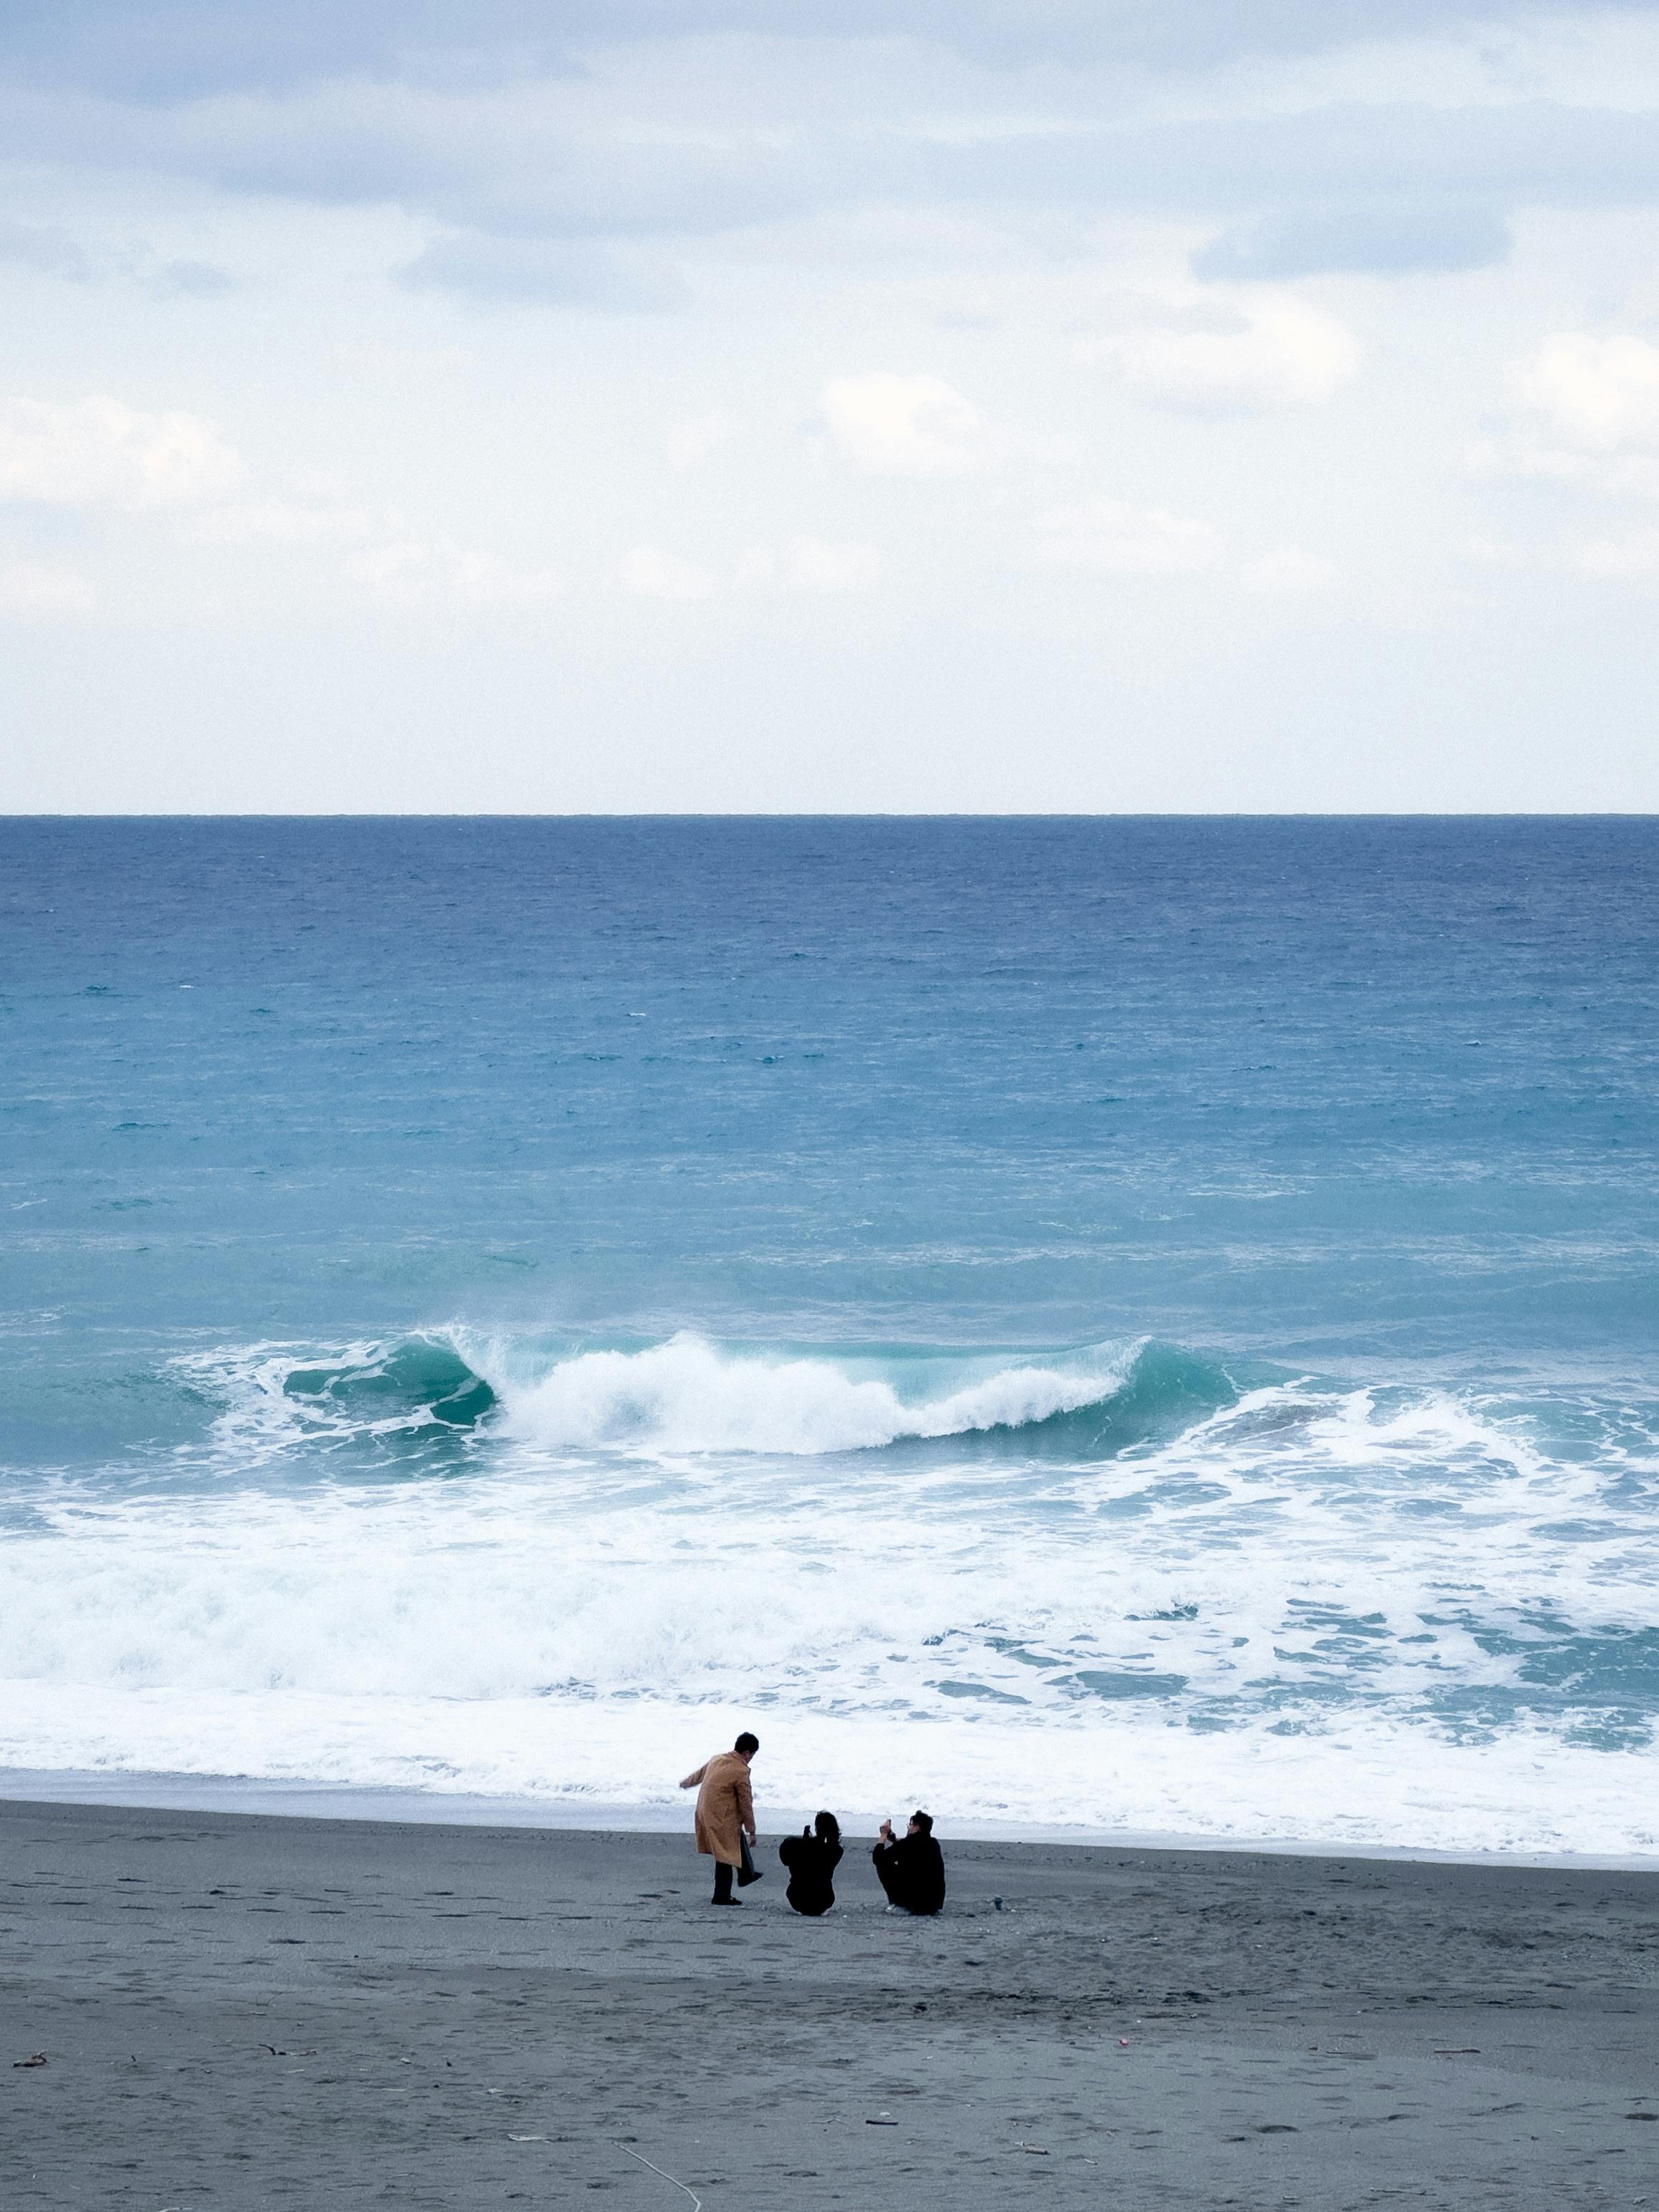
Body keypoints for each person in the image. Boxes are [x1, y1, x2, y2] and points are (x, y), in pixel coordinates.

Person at [679, 1731, 762, 1906]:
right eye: (752, 1755)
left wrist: (686, 1783)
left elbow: (699, 1775)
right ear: (747, 1752)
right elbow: (746, 1803)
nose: (751, 1759)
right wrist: (752, 1831)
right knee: (724, 1853)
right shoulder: (741, 1771)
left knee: (733, 1839)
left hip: (704, 1811)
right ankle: (721, 1896)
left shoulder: (717, 1759)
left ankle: (747, 1874)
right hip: (720, 1816)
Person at [871, 1808, 945, 1916]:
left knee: (883, 1863)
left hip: (913, 1901)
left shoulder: (908, 1844)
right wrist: (894, 1841)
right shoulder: (934, 1844)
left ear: (917, 1827)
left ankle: (897, 1902)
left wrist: (883, 1835)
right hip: (933, 1901)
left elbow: (877, 1858)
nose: (908, 1828)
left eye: (910, 1825)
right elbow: (912, 1853)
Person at [778, 1810, 843, 1917]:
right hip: (824, 1900)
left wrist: (805, 1841)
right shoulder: (837, 1851)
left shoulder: (797, 1845)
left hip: (797, 1898)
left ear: (817, 1827)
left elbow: (786, 1860)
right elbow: (821, 1858)